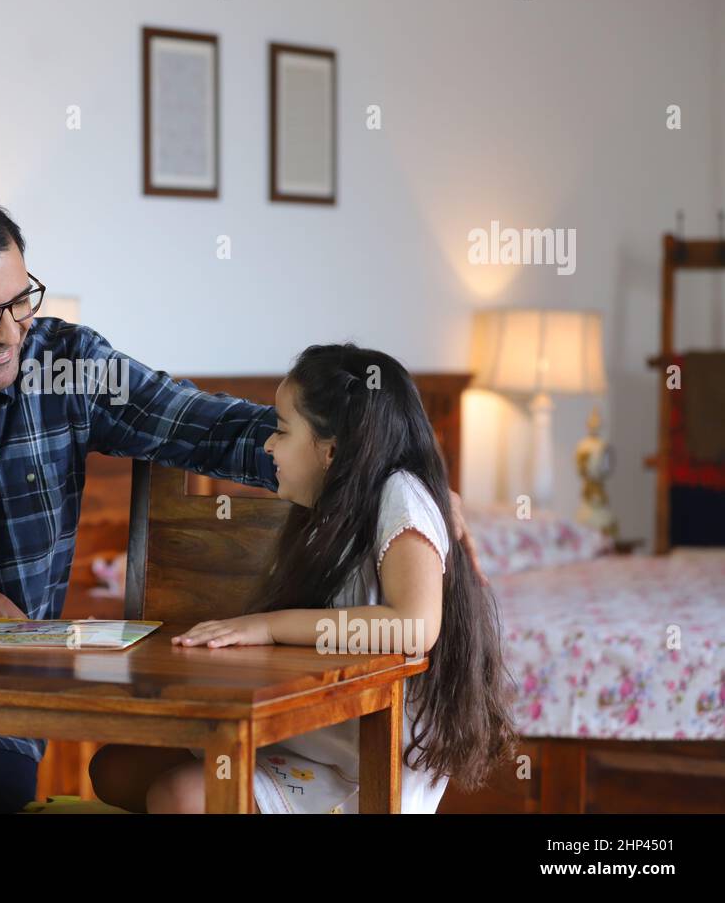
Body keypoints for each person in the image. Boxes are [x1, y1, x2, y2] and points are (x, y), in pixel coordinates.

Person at [0, 190, 485, 813]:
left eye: (21, 301)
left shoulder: (64, 366)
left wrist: (387, 470)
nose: (11, 331)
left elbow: (215, 429)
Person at [88, 344, 517, 813]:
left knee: (180, 798)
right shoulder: (327, 513)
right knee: (114, 768)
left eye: (281, 430)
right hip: (311, 741)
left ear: (332, 450)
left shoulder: (402, 494)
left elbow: (416, 626)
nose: (268, 444)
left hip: (365, 768)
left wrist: (269, 626)